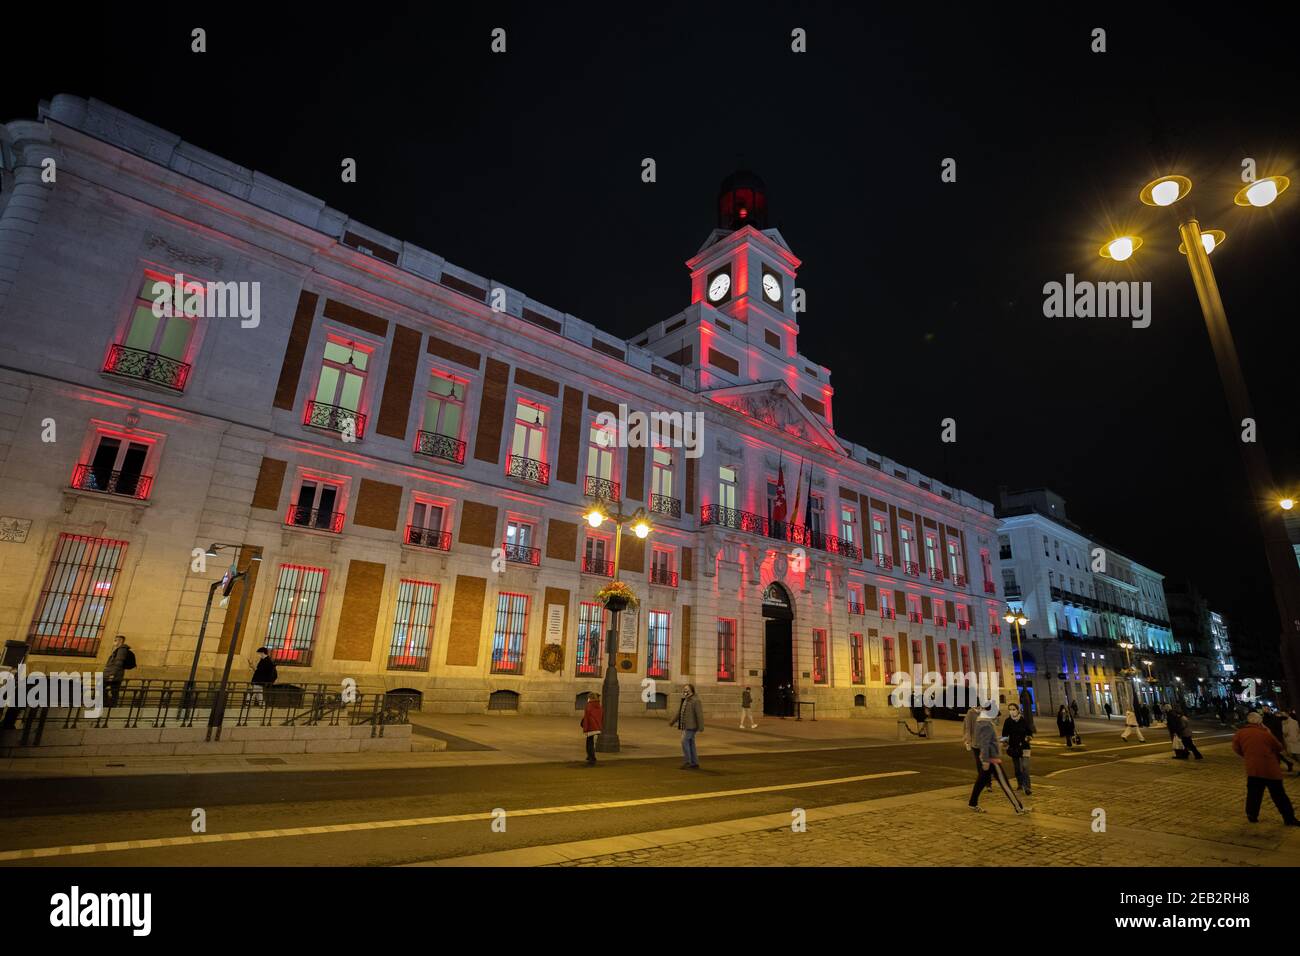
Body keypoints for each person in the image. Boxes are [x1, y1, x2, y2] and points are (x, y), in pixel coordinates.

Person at [1231, 712, 1300, 826]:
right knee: (1279, 795)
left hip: (1253, 769)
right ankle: (1289, 818)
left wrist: (1247, 755)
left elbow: (1236, 748)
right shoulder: (1265, 733)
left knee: (1254, 794)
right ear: (1260, 722)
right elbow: (1278, 747)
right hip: (1269, 769)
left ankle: (1252, 815)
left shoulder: (1240, 733)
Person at [969, 709, 1027, 814]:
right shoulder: (986, 725)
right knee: (1005, 783)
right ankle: (1019, 807)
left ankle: (972, 803)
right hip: (992, 759)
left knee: (981, 781)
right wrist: (986, 760)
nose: (997, 718)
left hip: (988, 757)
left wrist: (997, 742)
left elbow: (983, 741)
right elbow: (985, 743)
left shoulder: (981, 722)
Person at [1001, 702, 1033, 796]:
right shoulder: (1008, 721)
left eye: (1013, 709)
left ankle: (1027, 787)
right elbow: (1004, 735)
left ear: (1018, 710)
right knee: (1017, 768)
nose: (1012, 711)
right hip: (1014, 748)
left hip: (1024, 747)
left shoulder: (1023, 720)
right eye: (1010, 709)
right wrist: (1005, 743)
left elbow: (1029, 733)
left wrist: (1028, 737)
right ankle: (1020, 783)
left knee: (1025, 767)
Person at [669, 683, 704, 769]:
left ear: (691, 690)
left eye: (687, 689)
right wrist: (672, 721)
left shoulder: (696, 701)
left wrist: (701, 726)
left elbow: (699, 714)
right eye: (684, 689)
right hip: (685, 725)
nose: (685, 691)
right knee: (691, 743)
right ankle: (694, 762)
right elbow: (679, 712)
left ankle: (688, 761)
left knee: (684, 741)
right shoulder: (685, 700)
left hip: (691, 726)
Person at [102, 634, 136, 707]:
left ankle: (108, 703)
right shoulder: (120, 649)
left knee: (103, 687)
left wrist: (112, 674)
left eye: (115, 640)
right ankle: (111, 704)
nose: (114, 642)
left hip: (113, 674)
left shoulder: (121, 650)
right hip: (115, 674)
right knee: (114, 690)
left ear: (120, 641)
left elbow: (118, 663)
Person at [1260, 707, 1296, 771]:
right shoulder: (1266, 719)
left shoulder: (1273, 718)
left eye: (1266, 709)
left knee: (1274, 753)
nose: (1265, 711)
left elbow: (1279, 726)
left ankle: (1284, 764)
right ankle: (1287, 763)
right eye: (1264, 710)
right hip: (1272, 737)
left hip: (1274, 737)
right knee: (1275, 753)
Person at [580, 692, 603, 764]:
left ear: (590, 698)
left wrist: (585, 727)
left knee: (589, 743)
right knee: (591, 741)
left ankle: (591, 757)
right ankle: (590, 756)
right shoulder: (599, 705)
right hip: (596, 726)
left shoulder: (589, 705)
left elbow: (587, 717)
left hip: (590, 726)